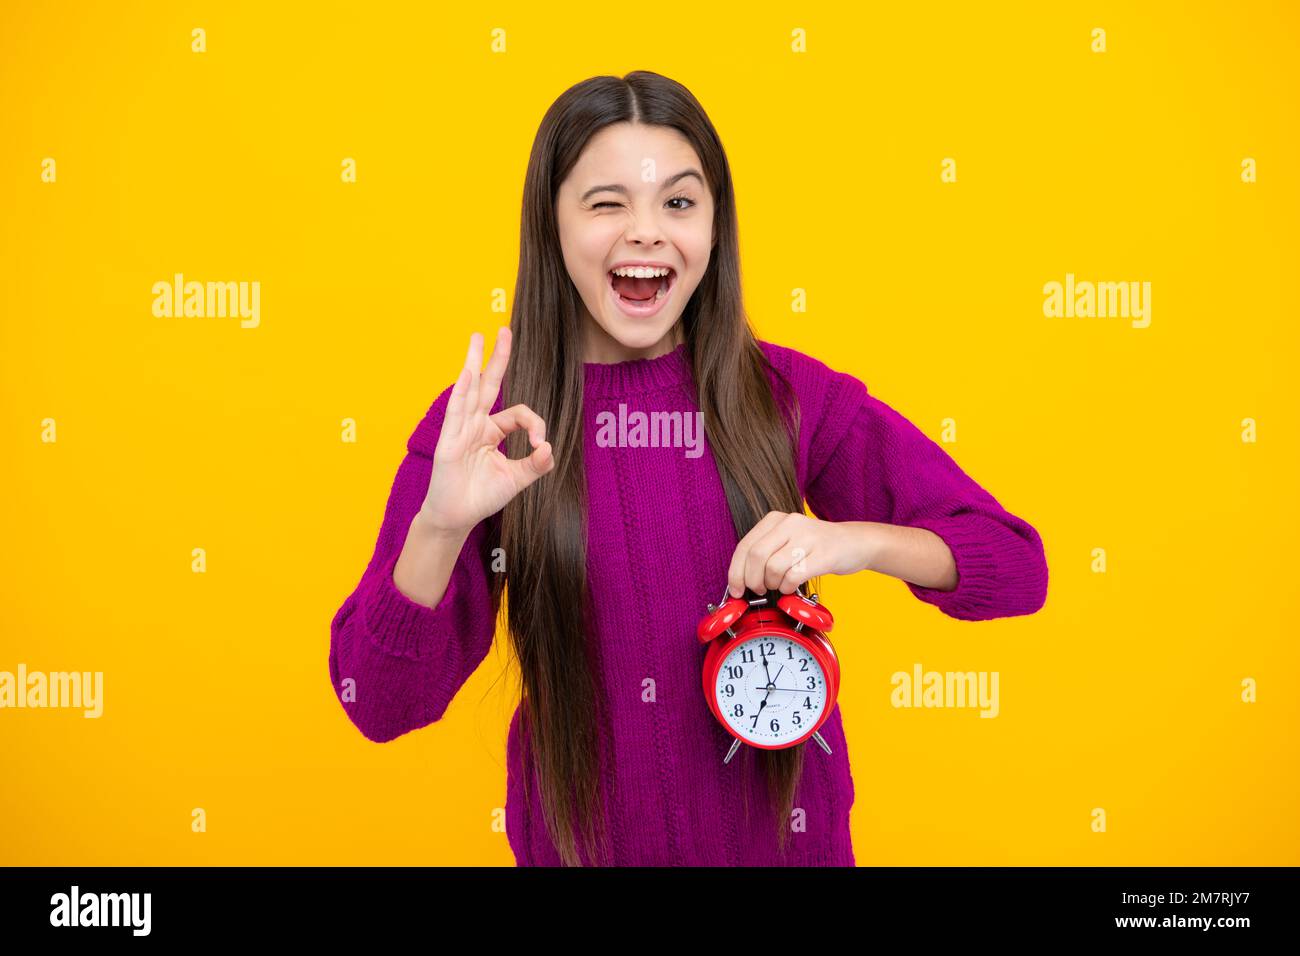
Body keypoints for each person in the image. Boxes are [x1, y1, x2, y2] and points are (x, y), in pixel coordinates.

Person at [328, 70, 1049, 867]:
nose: (646, 232)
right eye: (607, 203)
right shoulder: (486, 426)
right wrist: (440, 524)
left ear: (715, 224)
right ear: (551, 224)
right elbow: (380, 703)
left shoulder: (787, 395)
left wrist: (855, 543)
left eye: (678, 202)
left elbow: (1018, 568)